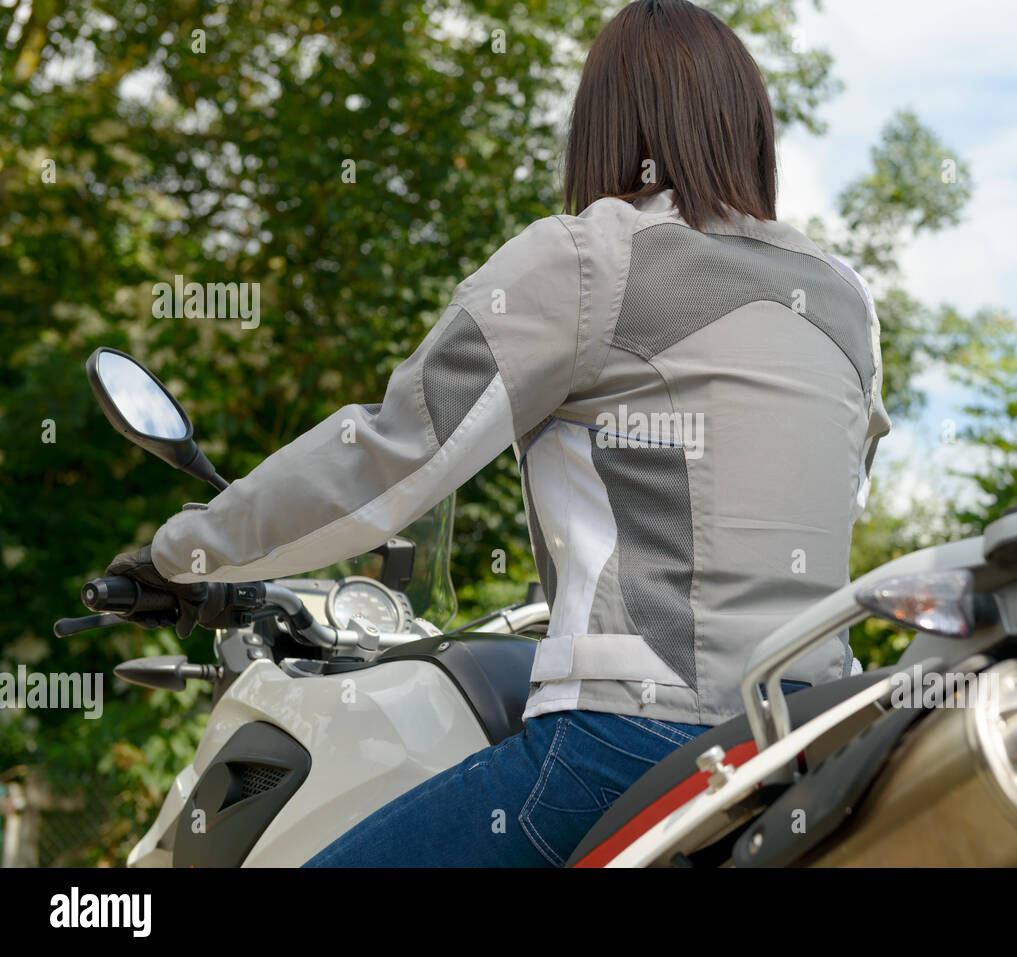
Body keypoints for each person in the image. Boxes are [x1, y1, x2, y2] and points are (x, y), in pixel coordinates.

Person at [105, 0, 890, 866]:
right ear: (750, 128)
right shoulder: (846, 300)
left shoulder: (593, 258)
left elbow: (386, 457)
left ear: (609, 120)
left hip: (632, 745)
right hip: (816, 742)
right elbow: (832, 490)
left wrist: (185, 552)